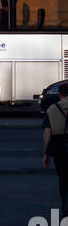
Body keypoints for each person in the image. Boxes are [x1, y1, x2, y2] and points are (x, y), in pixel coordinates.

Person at [43, 79, 68, 215]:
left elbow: (47, 131)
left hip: (59, 145)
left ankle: (65, 205)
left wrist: (46, 153)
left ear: (59, 95)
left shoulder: (52, 109)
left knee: (63, 177)